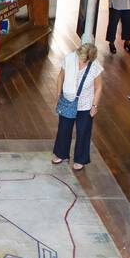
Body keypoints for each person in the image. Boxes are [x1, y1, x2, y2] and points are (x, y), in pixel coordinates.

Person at [52, 42, 103, 171]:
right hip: (68, 100)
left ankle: (80, 159)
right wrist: (58, 95)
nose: (79, 59)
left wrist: (94, 106)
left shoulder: (95, 67)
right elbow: (61, 76)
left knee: (83, 131)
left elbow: (98, 87)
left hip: (85, 104)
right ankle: (61, 154)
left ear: (89, 59)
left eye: (83, 58)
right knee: (64, 128)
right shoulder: (70, 58)